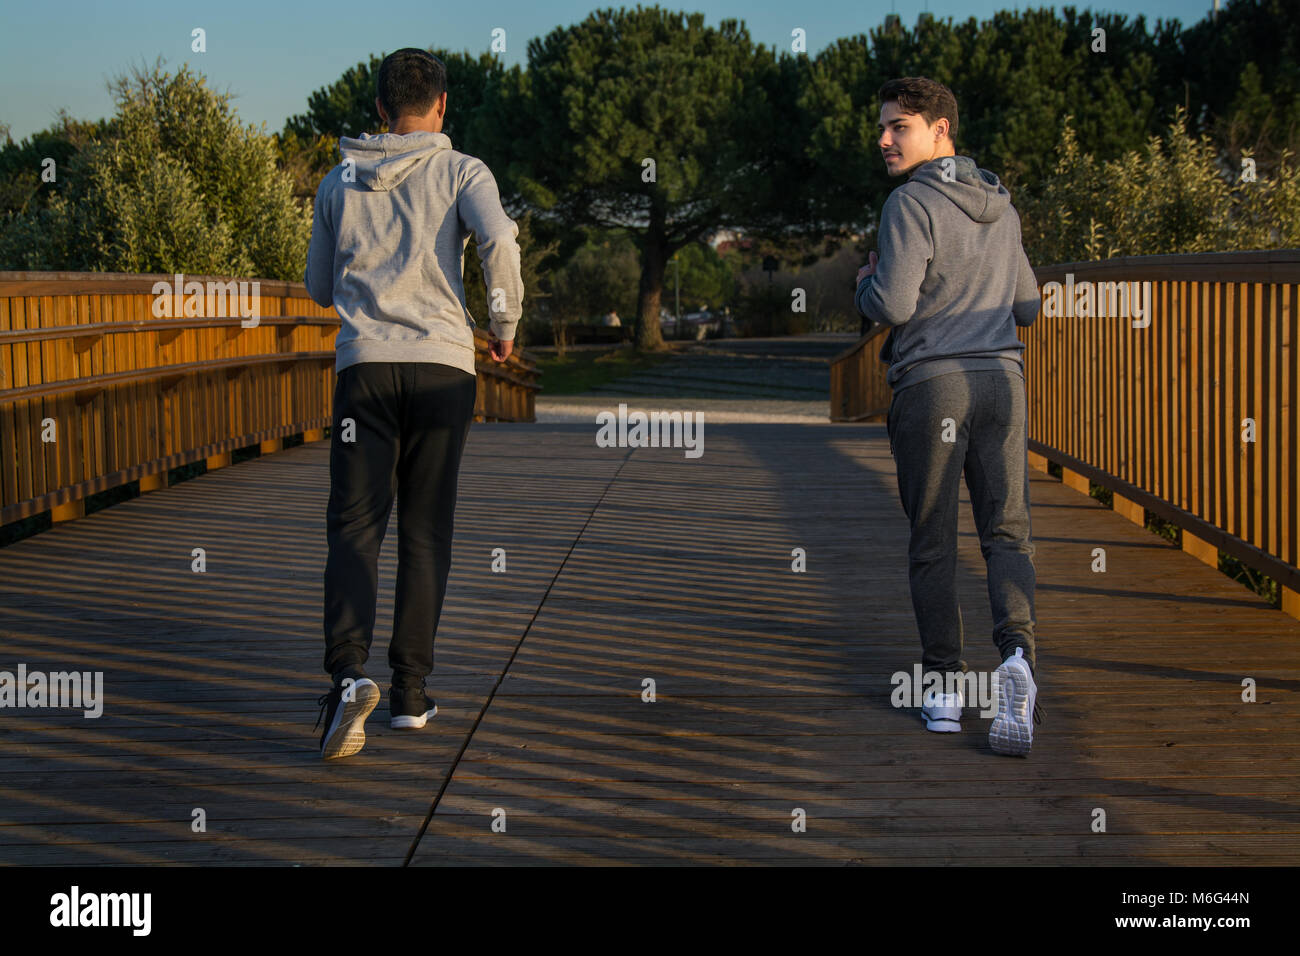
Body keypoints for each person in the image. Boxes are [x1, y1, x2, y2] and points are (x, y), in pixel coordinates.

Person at [304, 48, 523, 759]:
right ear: (443, 105)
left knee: (354, 526)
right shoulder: (464, 171)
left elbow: (315, 288)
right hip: (442, 368)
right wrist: (504, 324)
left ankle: (345, 679)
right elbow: (498, 239)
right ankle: (409, 694)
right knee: (426, 528)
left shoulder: (337, 181)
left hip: (364, 368)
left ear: (377, 108)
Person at [855, 76, 1043, 755]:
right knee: (1007, 535)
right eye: (881, 126)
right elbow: (1027, 306)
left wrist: (863, 285)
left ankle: (941, 692)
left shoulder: (909, 203)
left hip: (934, 386)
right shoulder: (1002, 205)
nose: (882, 138)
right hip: (1002, 382)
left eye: (898, 126)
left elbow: (896, 305)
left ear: (939, 131)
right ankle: (1016, 659)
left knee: (934, 538)